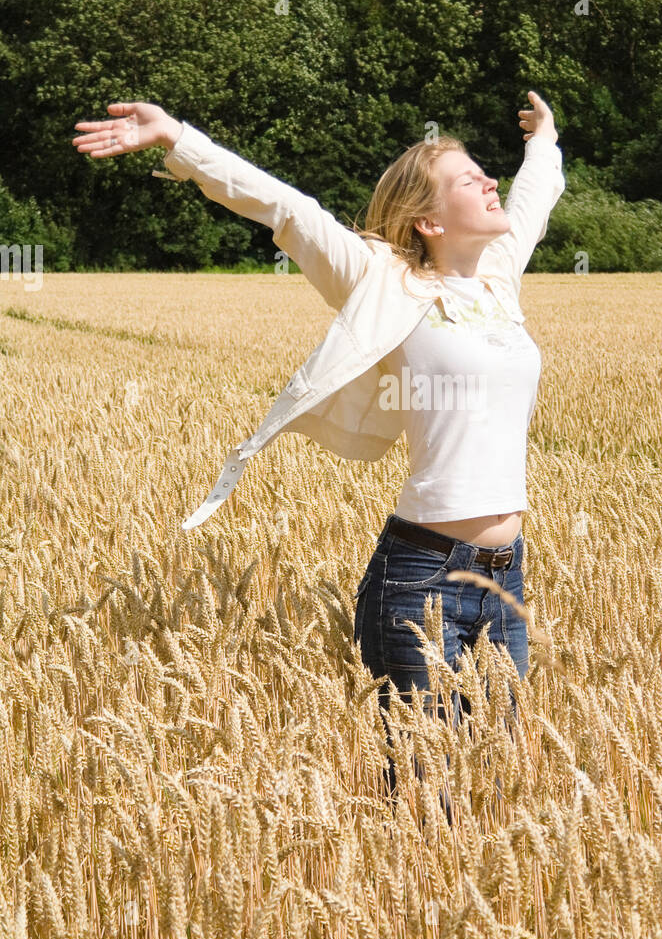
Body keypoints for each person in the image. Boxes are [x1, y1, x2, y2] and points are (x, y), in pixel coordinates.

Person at [72, 94, 566, 818]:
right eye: (469, 180)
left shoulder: (497, 280)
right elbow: (289, 209)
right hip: (421, 577)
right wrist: (178, 138)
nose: (489, 183)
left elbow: (536, 196)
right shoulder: (382, 283)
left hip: (505, 582)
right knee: (429, 802)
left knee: (491, 789)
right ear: (428, 221)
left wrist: (545, 139)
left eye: (486, 174)